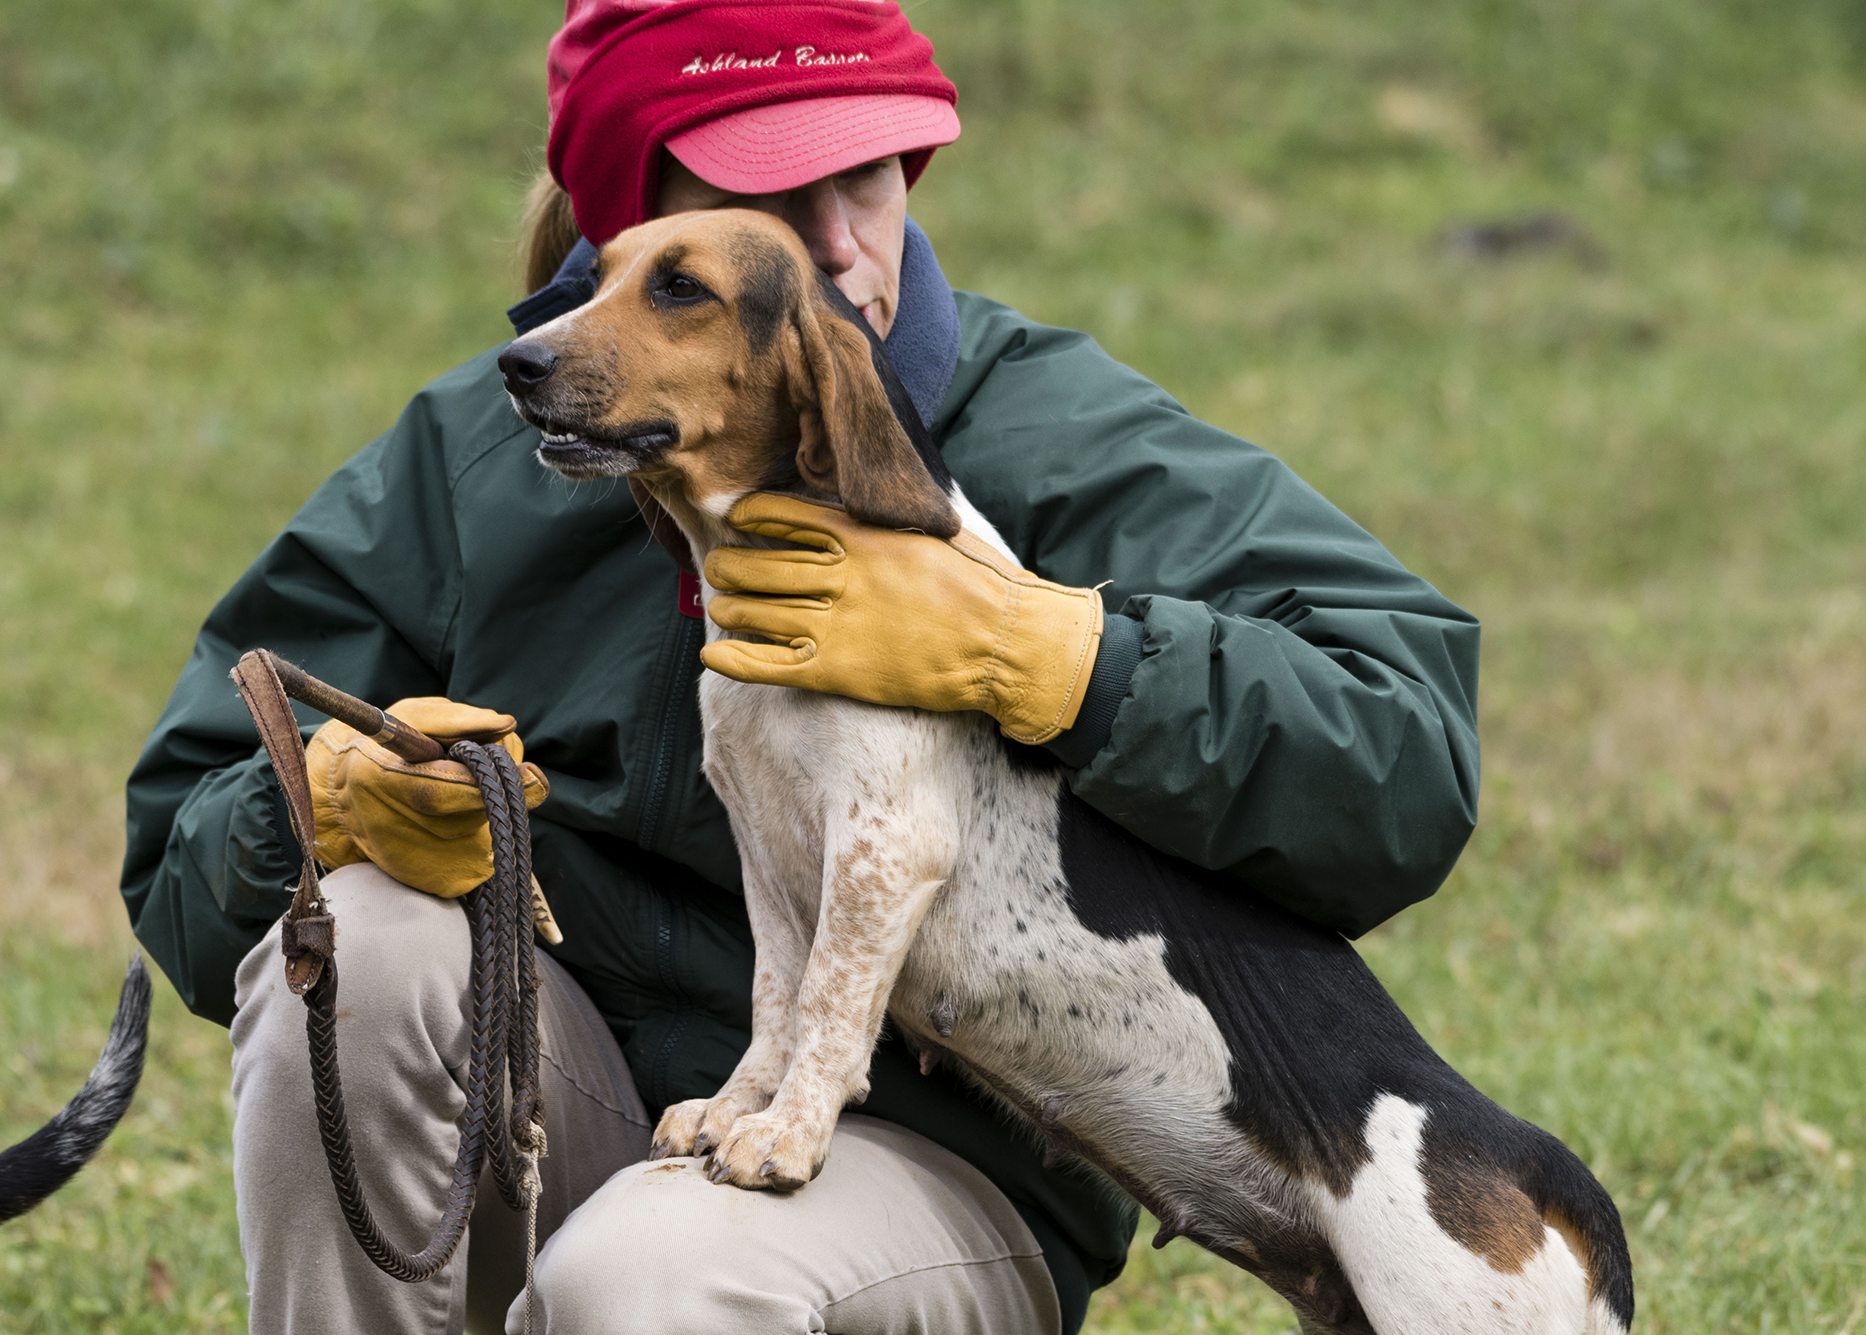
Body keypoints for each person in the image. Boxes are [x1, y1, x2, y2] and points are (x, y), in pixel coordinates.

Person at [121, 0, 1482, 1331]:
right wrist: (316, 812)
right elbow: (180, 853)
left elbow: (1407, 749)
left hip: (920, 1168)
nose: (841, 248)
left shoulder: (1060, 438)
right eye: (776, 204)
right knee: (358, 948)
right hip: (572, 1102)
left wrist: (1069, 659)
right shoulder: (470, 464)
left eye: (872, 178)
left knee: (660, 1277)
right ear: (635, 218)